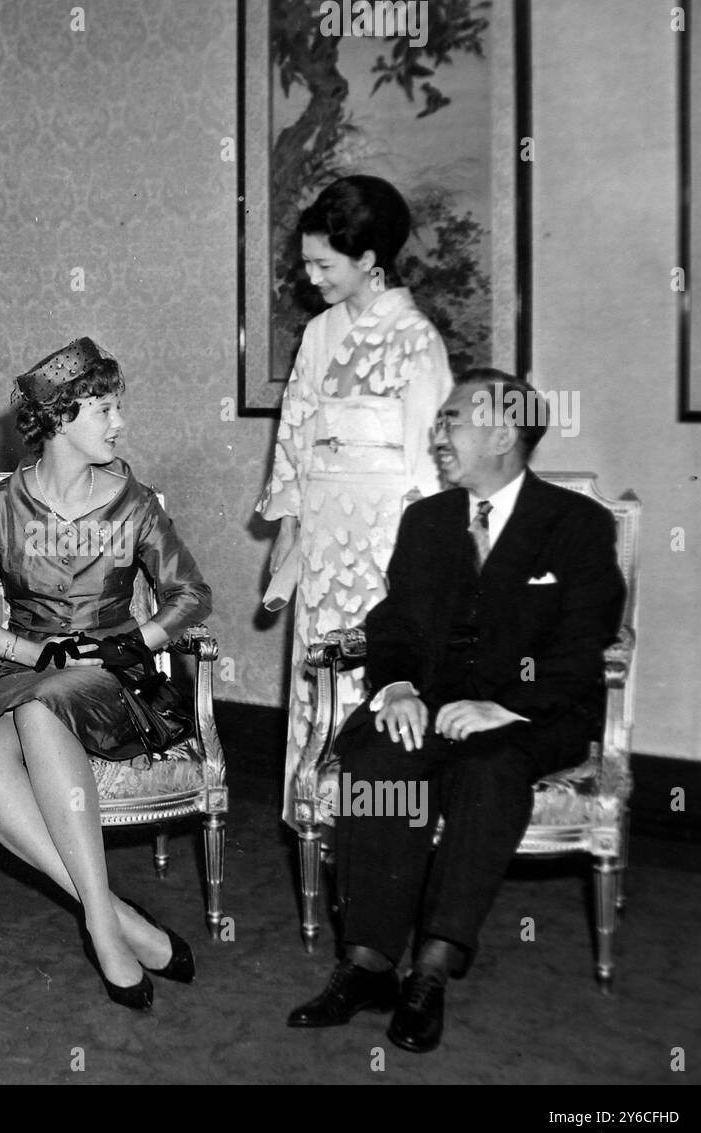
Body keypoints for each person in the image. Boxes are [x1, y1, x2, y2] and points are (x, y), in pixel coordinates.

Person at [287, 370, 625, 1051]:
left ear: (502, 432)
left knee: (489, 770)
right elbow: (398, 621)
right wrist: (401, 685)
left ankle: (432, 968)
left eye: (450, 421)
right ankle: (370, 962)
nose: (436, 435)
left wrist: (506, 705)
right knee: (382, 753)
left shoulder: (576, 523)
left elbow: (589, 641)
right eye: (437, 422)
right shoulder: (428, 519)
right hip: (434, 702)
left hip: (528, 716)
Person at [0, 338, 212, 1011]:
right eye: (106, 409)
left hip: (115, 681)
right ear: (59, 419)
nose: (120, 423)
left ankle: (105, 935)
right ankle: (113, 913)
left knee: (35, 712)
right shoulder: (0, 506)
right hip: (35, 670)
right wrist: (30, 653)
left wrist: (124, 642)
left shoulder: (133, 502)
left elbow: (190, 596)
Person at [256, 175, 452, 827]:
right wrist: (289, 525)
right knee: (323, 673)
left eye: (323, 263)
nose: (312, 277)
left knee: (380, 666)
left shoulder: (416, 339)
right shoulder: (318, 334)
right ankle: (321, 821)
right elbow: (295, 436)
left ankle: (385, 827)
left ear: (369, 259)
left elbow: (433, 461)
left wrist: (423, 558)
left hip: (387, 536)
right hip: (322, 529)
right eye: (307, 262)